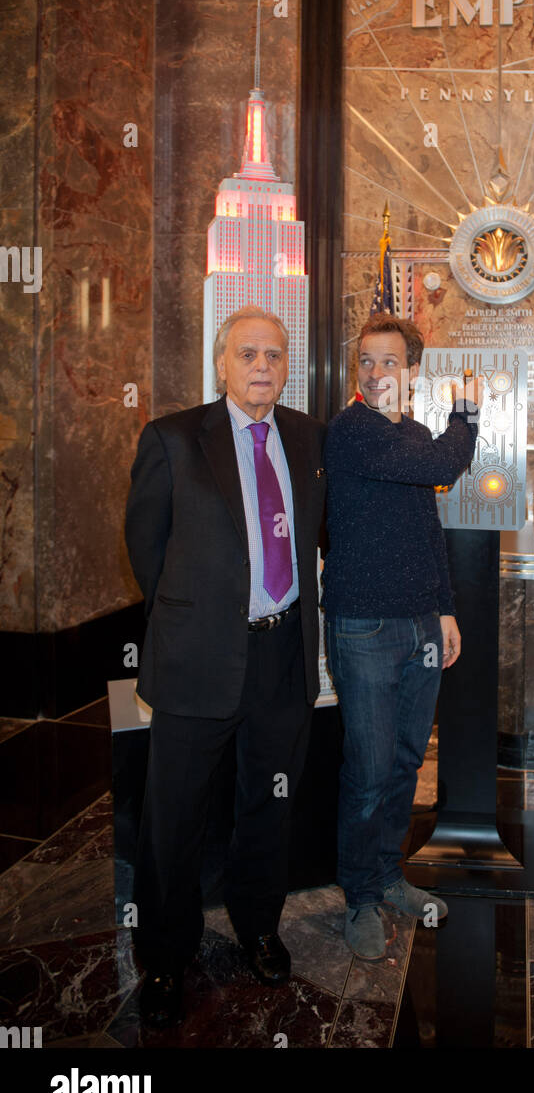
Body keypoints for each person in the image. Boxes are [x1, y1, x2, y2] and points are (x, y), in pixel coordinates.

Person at [125, 305, 326, 1026]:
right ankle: (165, 954)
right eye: (248, 354)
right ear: (221, 364)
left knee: (267, 805)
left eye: (274, 355)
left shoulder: (308, 438)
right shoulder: (174, 439)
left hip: (281, 658)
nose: (263, 367)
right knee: (172, 817)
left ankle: (258, 927)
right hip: (198, 659)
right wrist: (197, 613)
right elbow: (147, 548)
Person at [322, 314, 482, 959]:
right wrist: (467, 412)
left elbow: (425, 536)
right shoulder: (353, 431)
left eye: (390, 362)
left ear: (412, 370)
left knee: (406, 760)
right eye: (366, 360)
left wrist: (443, 610)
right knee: (366, 768)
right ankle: (360, 893)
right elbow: (450, 459)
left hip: (419, 622)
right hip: (363, 625)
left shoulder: (412, 435)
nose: (376, 372)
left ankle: (388, 875)